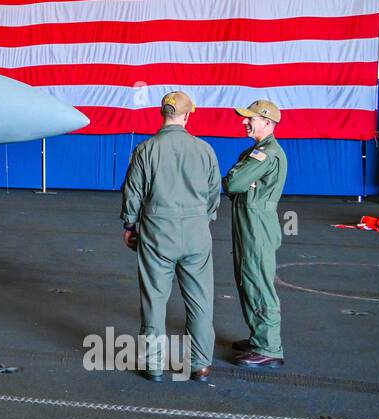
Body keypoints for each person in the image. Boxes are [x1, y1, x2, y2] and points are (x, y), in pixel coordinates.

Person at [120, 91, 220, 382]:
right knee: (200, 301)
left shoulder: (146, 149)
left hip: (157, 234)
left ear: (163, 114)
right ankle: (200, 364)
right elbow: (214, 194)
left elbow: (134, 192)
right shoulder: (205, 150)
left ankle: (153, 365)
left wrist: (130, 226)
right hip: (196, 233)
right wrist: (204, 219)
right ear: (188, 116)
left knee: (154, 299)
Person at [224, 100, 289, 369]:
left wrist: (240, 179)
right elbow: (235, 185)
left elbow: (233, 182)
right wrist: (240, 180)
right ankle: (258, 336)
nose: (245, 121)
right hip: (249, 222)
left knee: (259, 283)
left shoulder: (267, 153)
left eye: (251, 118)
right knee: (246, 279)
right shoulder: (255, 152)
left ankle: (270, 347)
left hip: (257, 226)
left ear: (267, 122)